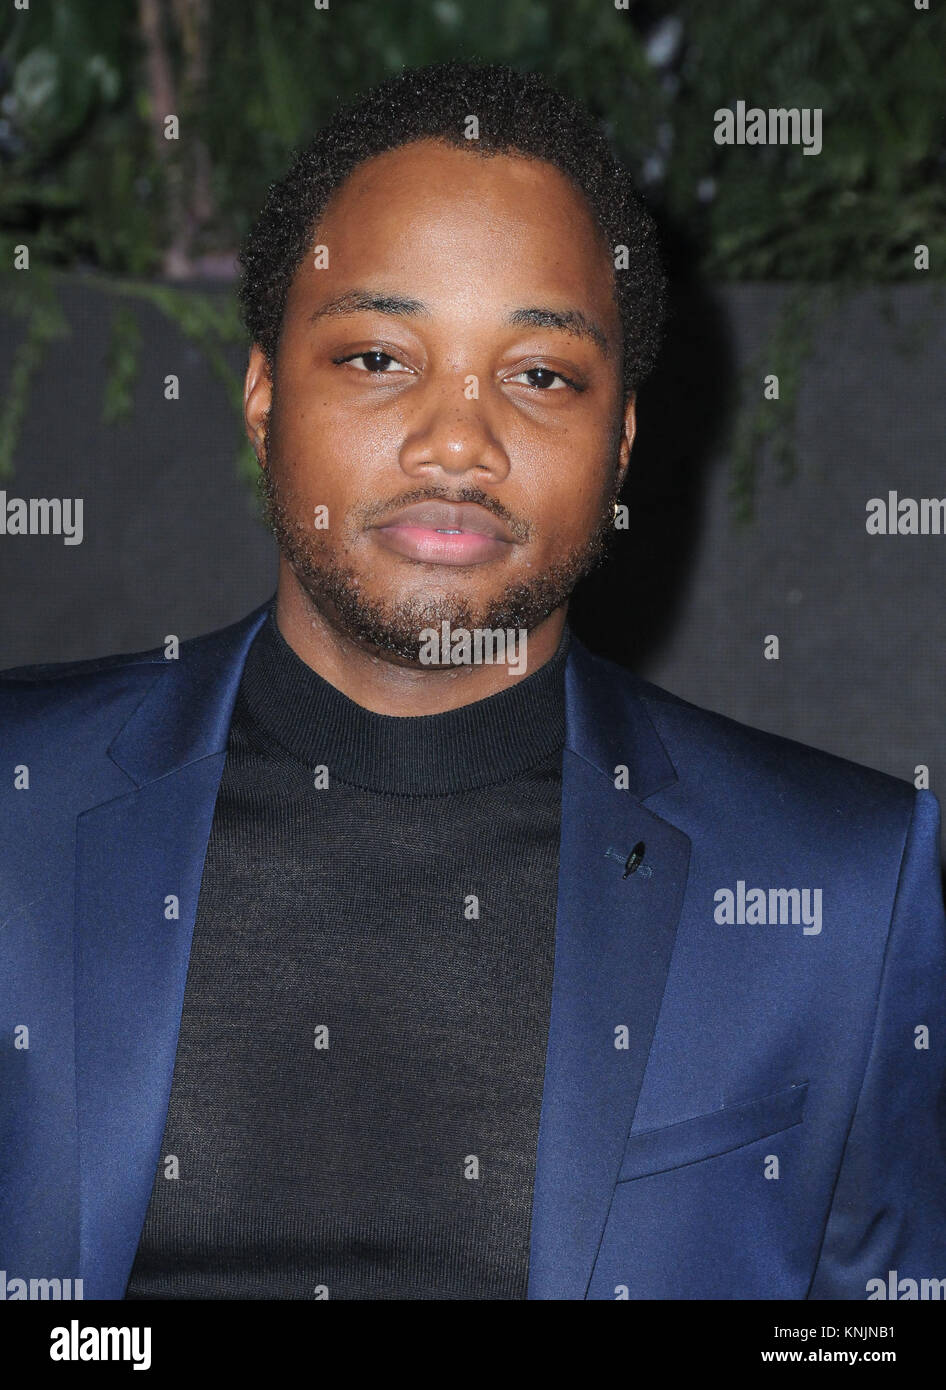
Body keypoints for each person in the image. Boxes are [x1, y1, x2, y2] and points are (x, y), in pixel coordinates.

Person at [1, 60, 944, 1302]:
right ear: (263, 393)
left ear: (620, 443)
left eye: (539, 373)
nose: (459, 439)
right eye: (381, 356)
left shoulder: (837, 886)